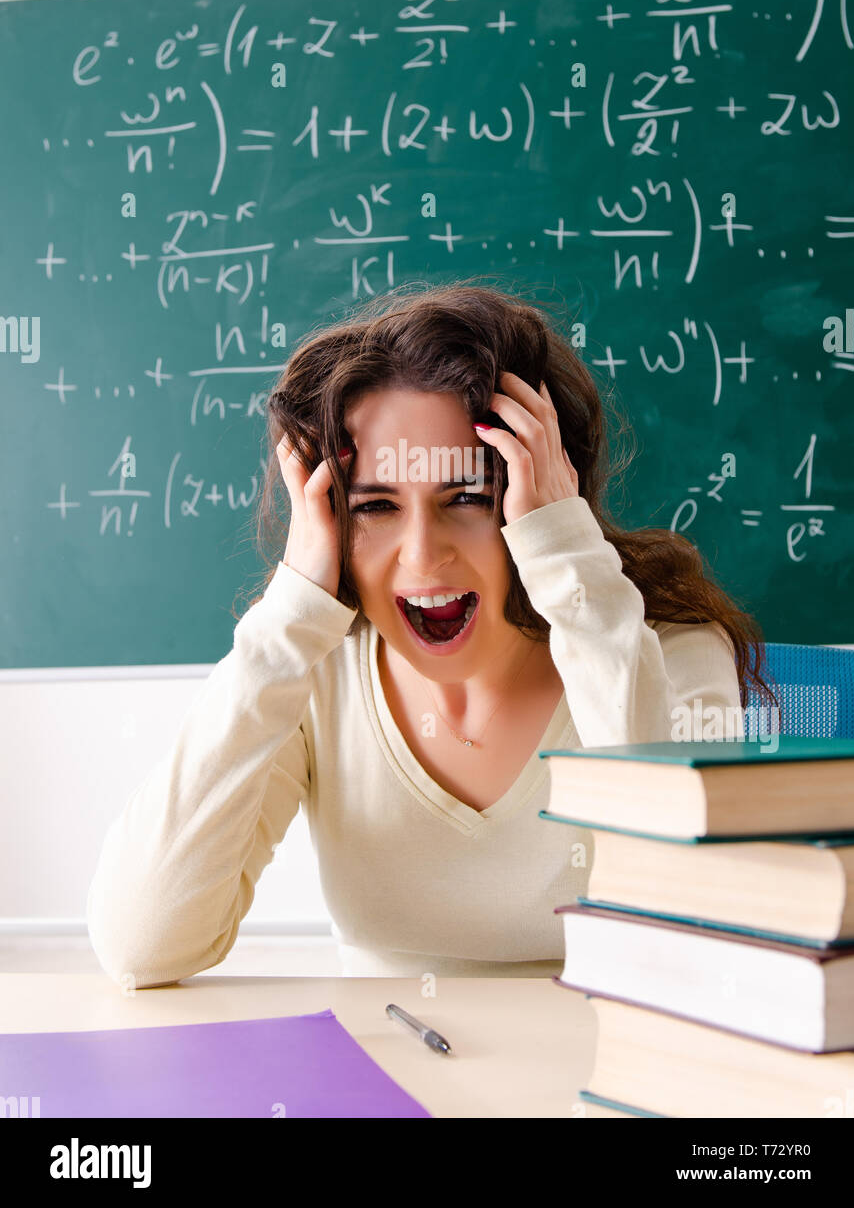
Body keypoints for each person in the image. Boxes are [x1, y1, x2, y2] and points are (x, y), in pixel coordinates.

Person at [87, 280, 776, 986]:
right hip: (388, 1075)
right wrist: (291, 613)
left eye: (468, 498)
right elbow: (142, 946)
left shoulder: (668, 654)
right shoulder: (313, 671)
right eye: (377, 506)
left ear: (542, 495)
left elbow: (697, 926)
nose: (422, 554)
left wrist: (570, 560)